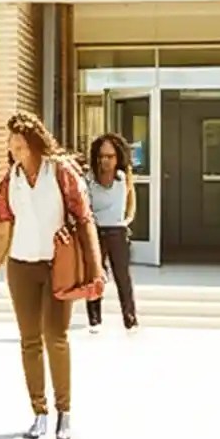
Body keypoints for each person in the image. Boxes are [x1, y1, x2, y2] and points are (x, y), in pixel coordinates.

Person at [0, 111, 103, 439]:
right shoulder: (11, 180)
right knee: (29, 340)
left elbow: (84, 218)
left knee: (56, 336)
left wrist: (95, 270)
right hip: (22, 266)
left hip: (57, 265)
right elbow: (4, 229)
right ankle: (39, 412)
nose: (16, 153)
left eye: (21, 147)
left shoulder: (61, 172)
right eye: (12, 148)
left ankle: (65, 411)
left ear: (35, 145)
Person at [85, 133, 139, 333]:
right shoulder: (89, 178)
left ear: (118, 157)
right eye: (101, 156)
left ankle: (130, 318)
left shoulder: (123, 176)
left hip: (117, 231)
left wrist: (127, 219)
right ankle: (94, 319)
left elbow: (131, 197)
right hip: (95, 231)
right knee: (95, 275)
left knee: (122, 276)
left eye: (110, 156)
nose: (105, 161)